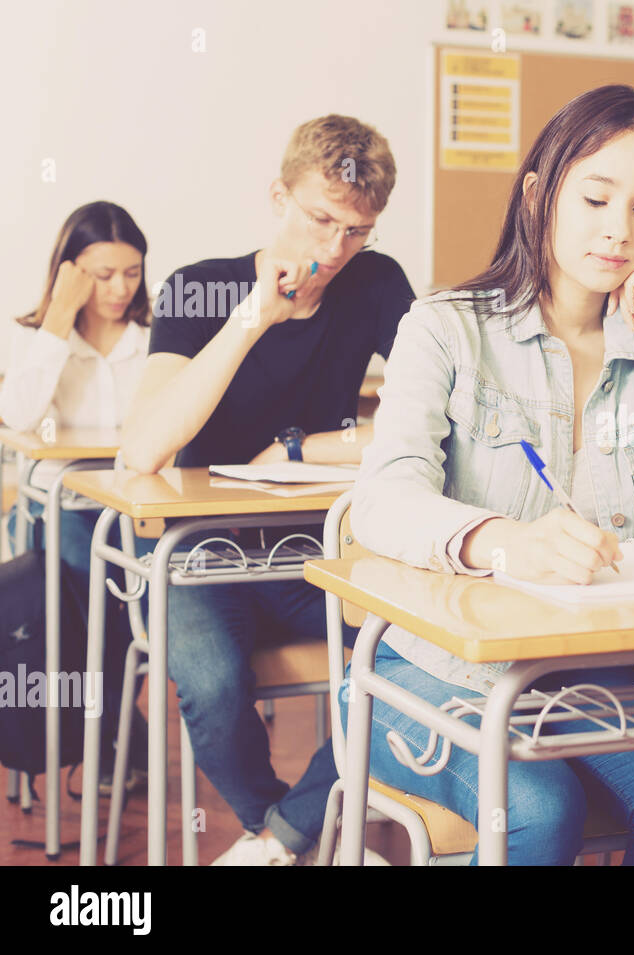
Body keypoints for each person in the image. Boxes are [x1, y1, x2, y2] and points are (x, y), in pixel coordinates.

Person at [345, 84, 634, 865]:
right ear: (540, 195)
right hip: (432, 669)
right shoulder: (446, 327)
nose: (620, 229)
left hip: (591, 675)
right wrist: (501, 541)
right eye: (597, 197)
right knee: (536, 808)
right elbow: (380, 499)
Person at [120, 115, 415, 864]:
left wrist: (301, 446)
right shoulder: (198, 286)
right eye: (321, 219)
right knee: (212, 684)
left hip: (318, 548)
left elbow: (428, 419)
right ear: (277, 196)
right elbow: (143, 448)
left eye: (357, 231)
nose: (334, 249)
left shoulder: (376, 284)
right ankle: (283, 832)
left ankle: (277, 843)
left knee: (416, 664)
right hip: (200, 549)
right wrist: (253, 318)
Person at [1, 201, 151, 790]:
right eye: (101, 274)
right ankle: (114, 731)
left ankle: (113, 730)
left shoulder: (156, 337)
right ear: (69, 271)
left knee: (138, 599)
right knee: (88, 591)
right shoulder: (38, 338)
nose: (119, 288)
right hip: (63, 506)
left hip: (136, 503)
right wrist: (59, 318)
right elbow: (15, 416)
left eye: (132, 272)